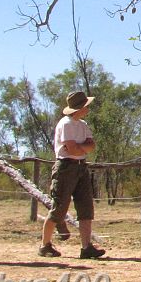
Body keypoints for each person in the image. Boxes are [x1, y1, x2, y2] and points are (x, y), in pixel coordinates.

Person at [38, 91, 105, 259]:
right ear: (80, 108)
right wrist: (81, 147)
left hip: (81, 167)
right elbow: (73, 148)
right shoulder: (66, 124)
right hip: (66, 167)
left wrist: (79, 147)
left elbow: (90, 146)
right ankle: (45, 245)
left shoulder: (82, 124)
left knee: (86, 207)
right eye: (86, 106)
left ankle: (86, 247)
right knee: (59, 208)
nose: (88, 109)